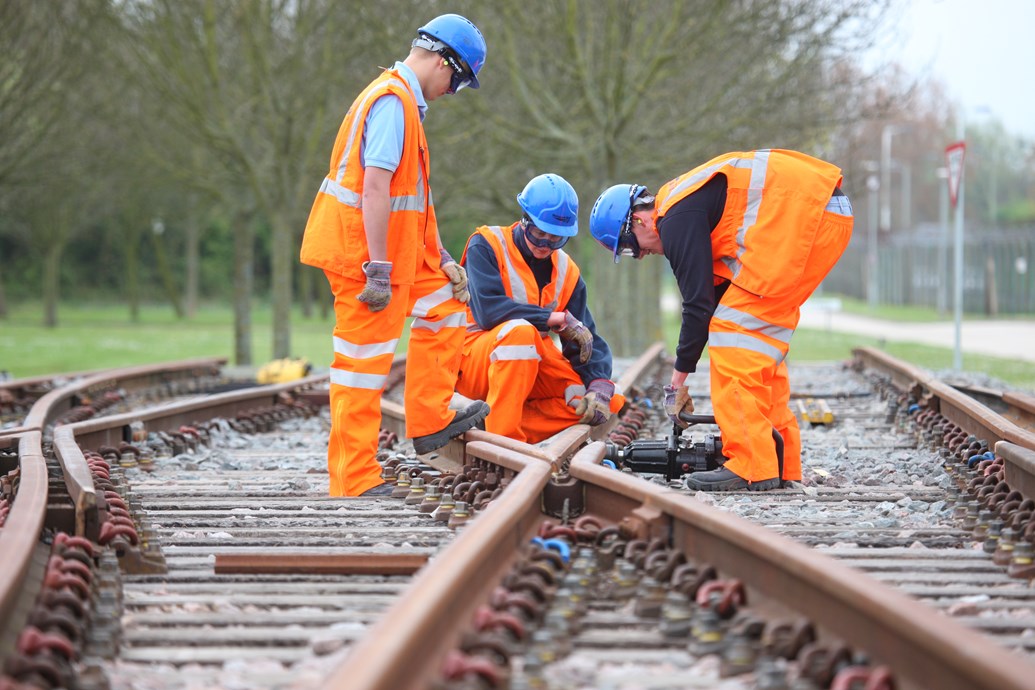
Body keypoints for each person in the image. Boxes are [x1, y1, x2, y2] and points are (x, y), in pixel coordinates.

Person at [299, 14, 489, 497]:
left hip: (402, 258)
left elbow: (413, 202)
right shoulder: (391, 103)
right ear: (442, 60)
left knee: (447, 304)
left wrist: (441, 256)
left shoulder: (404, 104)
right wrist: (378, 269)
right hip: (368, 262)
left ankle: (430, 416)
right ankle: (354, 480)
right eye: (458, 79)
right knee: (362, 368)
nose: (453, 91)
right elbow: (377, 187)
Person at [589, 149, 853, 491]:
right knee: (758, 346)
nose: (639, 256)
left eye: (628, 248)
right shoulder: (683, 205)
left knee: (733, 335)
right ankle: (780, 459)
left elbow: (697, 306)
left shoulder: (674, 219)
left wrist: (677, 383)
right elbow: (711, 296)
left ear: (638, 221)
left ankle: (751, 463)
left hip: (806, 216)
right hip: (820, 214)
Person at [456, 173, 625, 443]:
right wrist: (551, 318)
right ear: (525, 221)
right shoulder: (486, 245)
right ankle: (504, 441)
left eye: (556, 239)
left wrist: (599, 382)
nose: (545, 245)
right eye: (538, 233)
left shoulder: (567, 272)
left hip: (529, 365)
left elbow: (585, 338)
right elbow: (488, 311)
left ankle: (495, 421)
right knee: (521, 335)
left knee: (608, 400)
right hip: (474, 361)